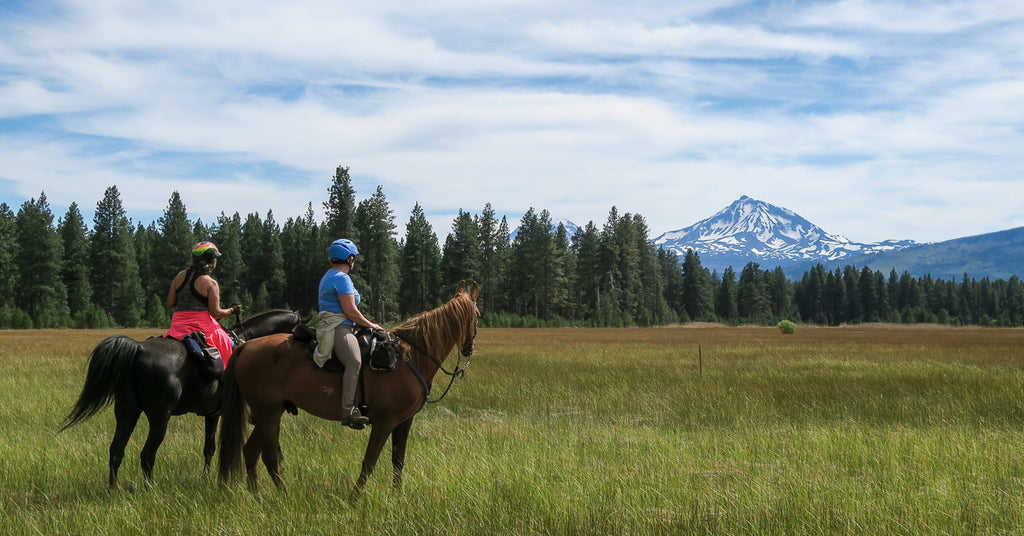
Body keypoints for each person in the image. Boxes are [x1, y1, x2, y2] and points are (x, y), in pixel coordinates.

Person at [315, 238, 383, 428]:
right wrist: (371, 325)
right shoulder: (341, 278)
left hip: (346, 325)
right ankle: (348, 410)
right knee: (354, 361)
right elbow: (350, 311)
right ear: (350, 258)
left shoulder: (331, 275)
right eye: (354, 258)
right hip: (339, 328)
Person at [165, 241, 241, 366]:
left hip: (177, 326)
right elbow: (215, 313)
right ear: (212, 261)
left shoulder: (179, 276)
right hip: (203, 327)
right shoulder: (210, 283)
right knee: (230, 345)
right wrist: (232, 310)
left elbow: (170, 303)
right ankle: (226, 376)